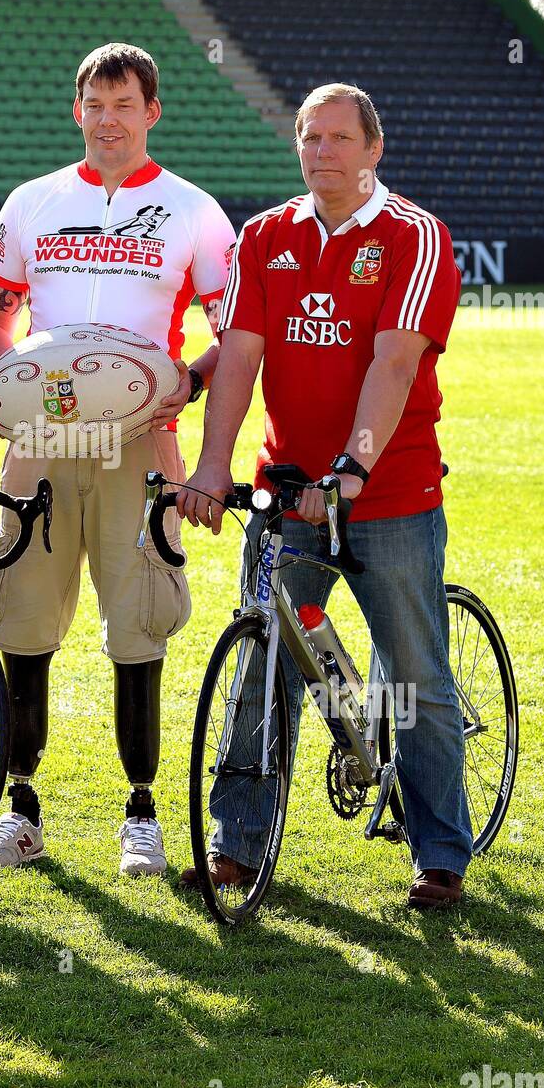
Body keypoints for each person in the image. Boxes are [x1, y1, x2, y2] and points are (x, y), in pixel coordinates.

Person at [177, 81, 470, 911]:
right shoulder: (265, 237)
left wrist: (353, 467)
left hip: (388, 492)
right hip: (286, 494)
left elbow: (394, 363)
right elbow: (236, 356)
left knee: (411, 677)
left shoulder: (412, 236)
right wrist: (210, 466)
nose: (321, 152)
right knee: (258, 664)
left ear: (372, 149)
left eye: (339, 138)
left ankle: (439, 853)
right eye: (309, 137)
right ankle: (237, 847)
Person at [0, 42, 235, 876]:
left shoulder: (194, 212)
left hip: (138, 441)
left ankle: (141, 814)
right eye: (96, 103)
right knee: (22, 616)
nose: (109, 119)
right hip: (43, 438)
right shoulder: (32, 203)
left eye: (125, 104)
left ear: (152, 113)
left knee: (140, 622)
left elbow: (236, 340)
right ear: (75, 109)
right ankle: (18, 812)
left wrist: (185, 384)